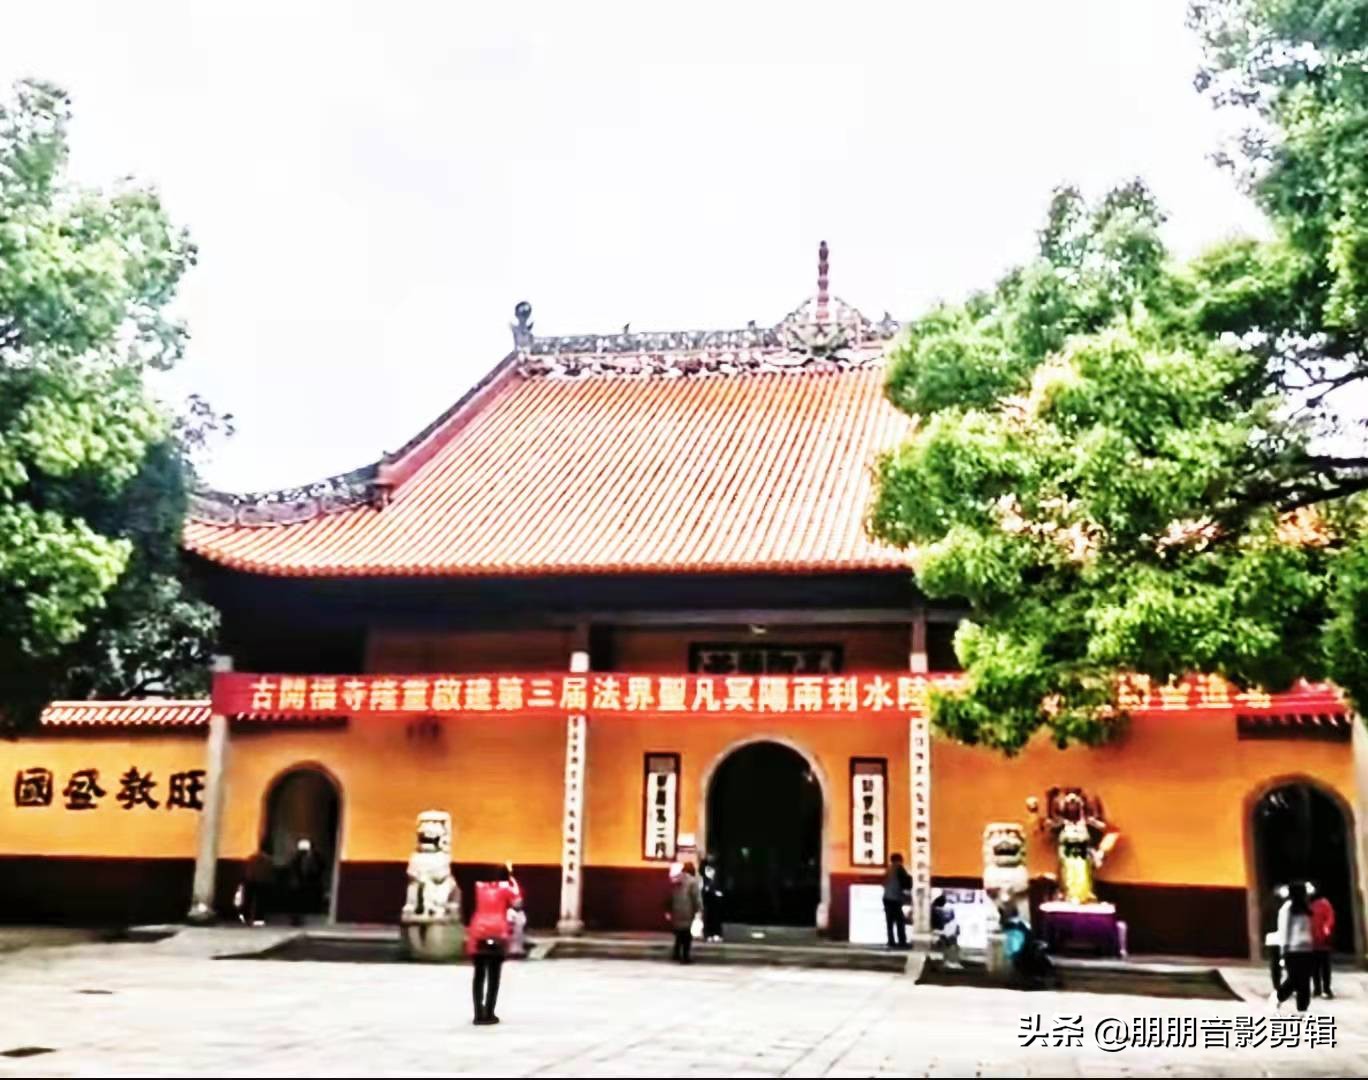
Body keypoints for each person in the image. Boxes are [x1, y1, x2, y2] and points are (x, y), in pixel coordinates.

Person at [467, 863, 522, 1025]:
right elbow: (518, 903)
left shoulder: (479, 887)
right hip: (497, 931)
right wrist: (513, 882)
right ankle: (489, 1013)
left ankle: (478, 1013)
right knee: (493, 976)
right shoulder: (506, 889)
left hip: (477, 931)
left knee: (479, 976)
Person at [1269, 881, 1315, 1012]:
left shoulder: (1306, 908)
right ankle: (1278, 997)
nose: (1307, 895)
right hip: (1292, 950)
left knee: (1305, 982)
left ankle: (1302, 1010)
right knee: (1294, 980)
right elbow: (1284, 931)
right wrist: (1283, 952)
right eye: (1304, 892)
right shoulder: (1287, 909)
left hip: (1307, 950)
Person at [669, 861, 702, 963]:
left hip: (676, 910)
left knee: (679, 933)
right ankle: (685, 957)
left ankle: (676, 954)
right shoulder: (692, 881)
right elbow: (696, 897)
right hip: (687, 910)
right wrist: (699, 909)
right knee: (687, 935)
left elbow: (670, 896)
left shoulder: (676, 879)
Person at [286, 838, 324, 926]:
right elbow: (311, 870)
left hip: (298, 883)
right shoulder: (307, 858)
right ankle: (296, 919)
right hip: (301, 883)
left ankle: (296, 919)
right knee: (299, 902)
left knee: (296, 902)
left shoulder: (297, 857)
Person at [882, 853, 912, 949]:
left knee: (889, 921)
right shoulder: (899, 868)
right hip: (895, 898)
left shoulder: (888, 869)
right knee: (900, 921)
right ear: (899, 859)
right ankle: (902, 941)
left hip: (887, 897)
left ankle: (891, 941)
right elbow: (906, 882)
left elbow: (883, 882)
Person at [1310, 888, 1336, 999]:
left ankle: (1324, 989)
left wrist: (1326, 930)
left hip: (1321, 941)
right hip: (1314, 941)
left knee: (1322, 967)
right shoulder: (1310, 905)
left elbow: (1330, 919)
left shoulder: (1323, 904)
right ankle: (1319, 989)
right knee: (1317, 968)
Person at [240, 845, 274, 925]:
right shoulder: (268, 860)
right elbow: (269, 872)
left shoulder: (252, 858)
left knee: (248, 900)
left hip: (251, 881)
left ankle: (246, 917)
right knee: (261, 902)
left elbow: (247, 870)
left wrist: (245, 879)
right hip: (262, 882)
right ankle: (259, 918)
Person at [700, 857, 725, 943]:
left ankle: (714, 934)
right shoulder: (705, 881)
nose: (710, 872)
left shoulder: (715, 881)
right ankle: (709, 934)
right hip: (709, 902)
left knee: (715, 918)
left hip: (714, 903)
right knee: (709, 918)